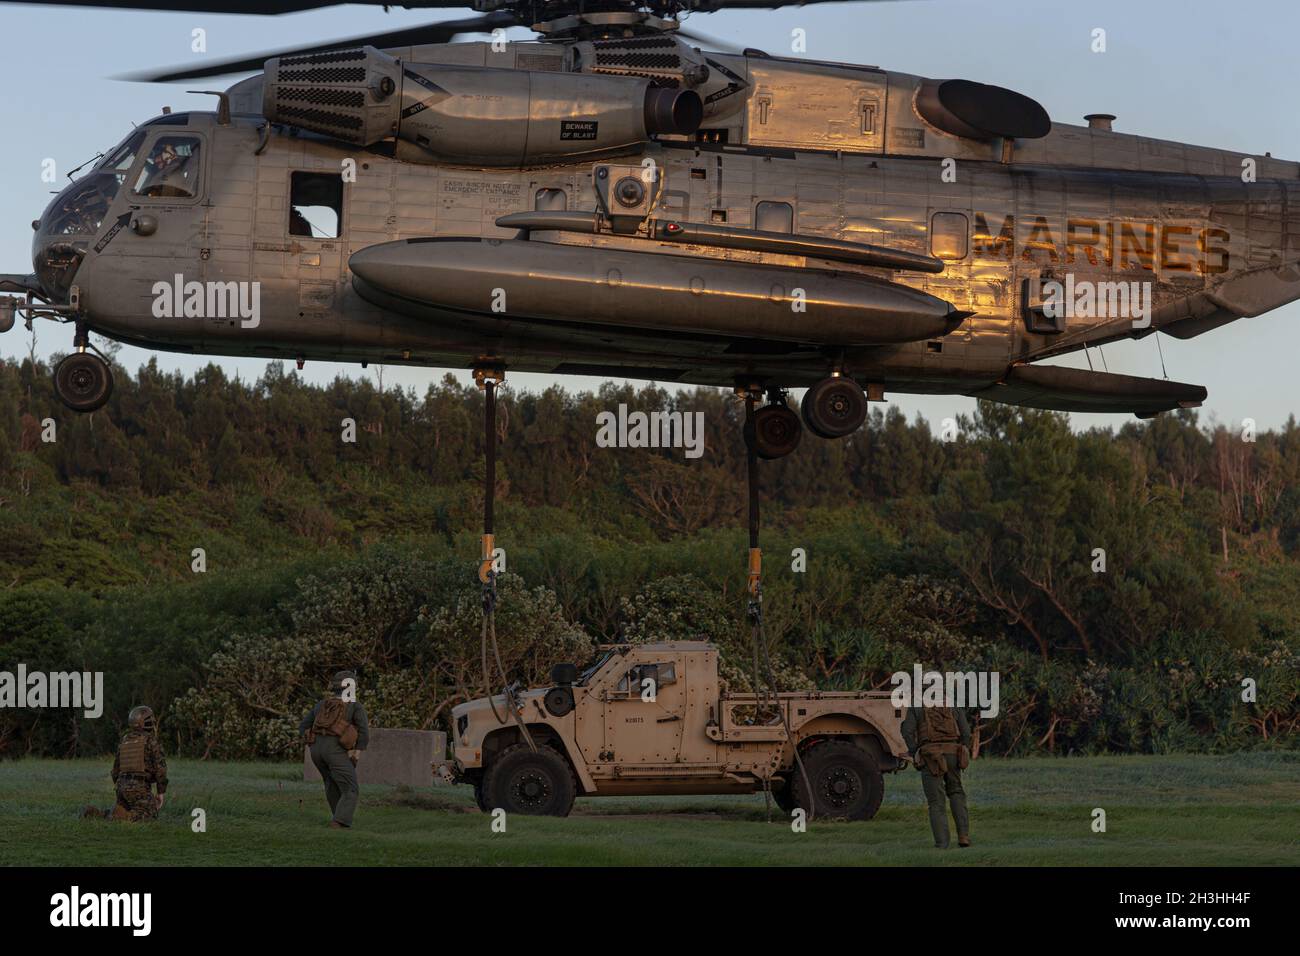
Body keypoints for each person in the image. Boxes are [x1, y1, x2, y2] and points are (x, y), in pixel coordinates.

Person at [299, 671, 370, 829]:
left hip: (316, 750)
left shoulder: (321, 704)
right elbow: (364, 733)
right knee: (351, 787)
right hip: (335, 750)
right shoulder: (355, 706)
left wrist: (314, 743)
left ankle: (338, 818)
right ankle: (339, 822)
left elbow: (303, 726)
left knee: (331, 782)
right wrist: (356, 755)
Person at [900, 703, 972, 848]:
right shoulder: (953, 704)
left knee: (936, 801)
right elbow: (966, 733)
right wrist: (962, 748)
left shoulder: (916, 706)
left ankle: (942, 843)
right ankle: (963, 836)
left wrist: (915, 752)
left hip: (930, 755)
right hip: (952, 753)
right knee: (956, 792)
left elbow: (907, 732)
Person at [80, 705, 169, 822]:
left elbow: (115, 770)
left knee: (125, 809)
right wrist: (160, 792)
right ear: (146, 723)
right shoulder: (151, 740)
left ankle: (100, 814)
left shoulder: (125, 740)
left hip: (121, 786)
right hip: (139, 786)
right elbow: (161, 769)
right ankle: (123, 817)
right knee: (150, 815)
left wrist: (121, 789)